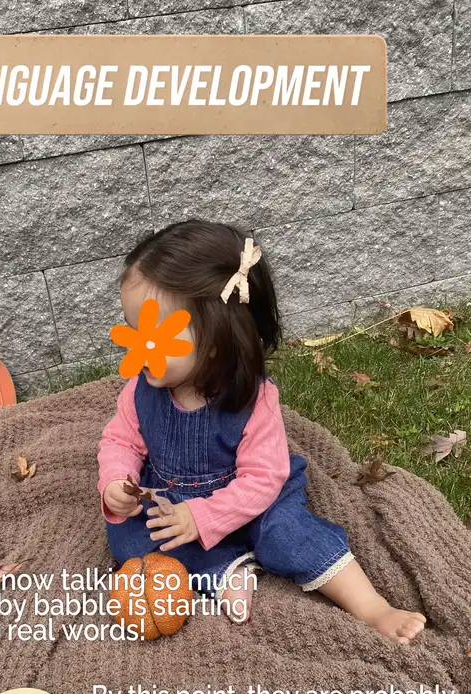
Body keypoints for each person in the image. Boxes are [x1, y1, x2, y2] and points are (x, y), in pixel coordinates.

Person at [97, 219, 426, 642]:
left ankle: (372, 607)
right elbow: (120, 439)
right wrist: (117, 481)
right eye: (132, 331)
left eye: (151, 334)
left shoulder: (253, 400)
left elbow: (263, 478)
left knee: (287, 534)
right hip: (175, 497)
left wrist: (206, 517)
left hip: (253, 497)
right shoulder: (139, 392)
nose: (137, 347)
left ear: (215, 338)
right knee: (127, 538)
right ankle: (224, 571)